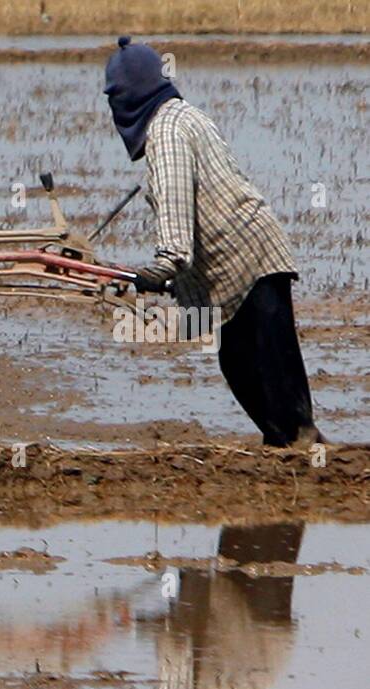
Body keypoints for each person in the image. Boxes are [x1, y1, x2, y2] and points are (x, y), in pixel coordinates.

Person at [104, 36, 322, 447]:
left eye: (115, 100)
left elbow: (175, 199)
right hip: (252, 254)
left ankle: (298, 444)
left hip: (242, 260)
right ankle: (292, 442)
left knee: (260, 361)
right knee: (254, 360)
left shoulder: (165, 133)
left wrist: (167, 262)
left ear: (130, 96)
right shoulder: (186, 115)